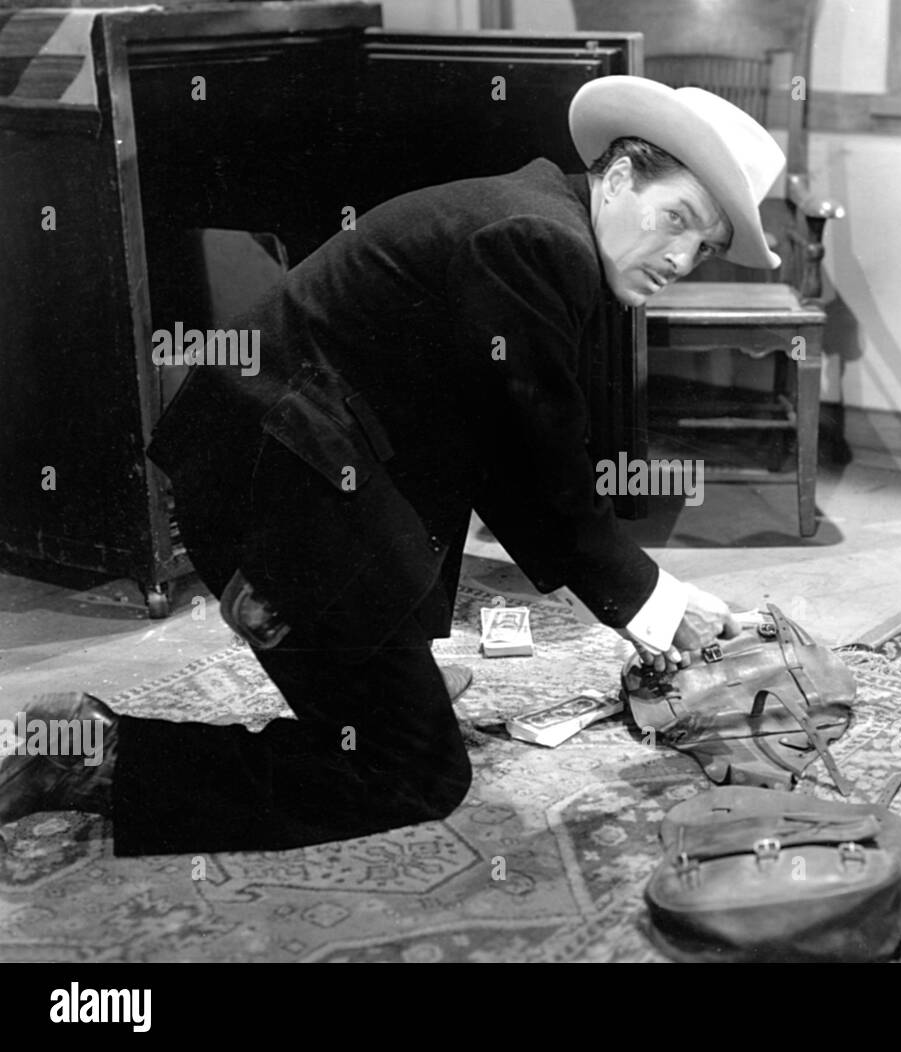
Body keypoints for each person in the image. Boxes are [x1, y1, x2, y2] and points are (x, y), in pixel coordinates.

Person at [0, 76, 787, 855]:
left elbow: (493, 448)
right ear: (618, 179)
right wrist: (650, 600)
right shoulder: (536, 240)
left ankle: (382, 674)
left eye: (705, 245)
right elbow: (531, 468)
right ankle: (99, 754)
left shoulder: (540, 220)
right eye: (676, 218)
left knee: (393, 695)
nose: (682, 256)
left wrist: (633, 591)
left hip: (297, 470)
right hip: (268, 499)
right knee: (411, 773)